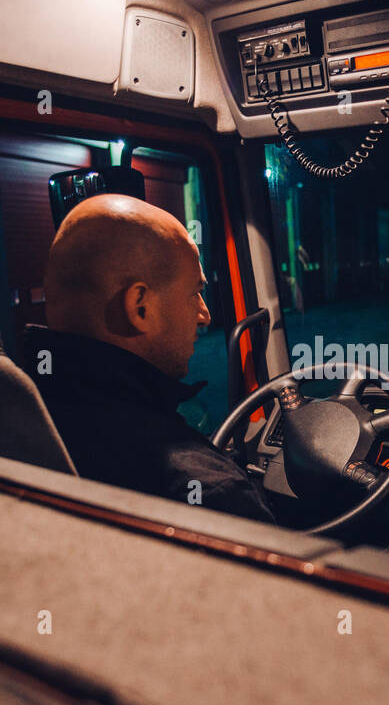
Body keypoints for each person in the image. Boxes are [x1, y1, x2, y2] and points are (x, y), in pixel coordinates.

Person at [25, 193, 276, 523]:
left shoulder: (15, 409)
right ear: (140, 307)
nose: (205, 315)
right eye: (194, 294)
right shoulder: (212, 493)